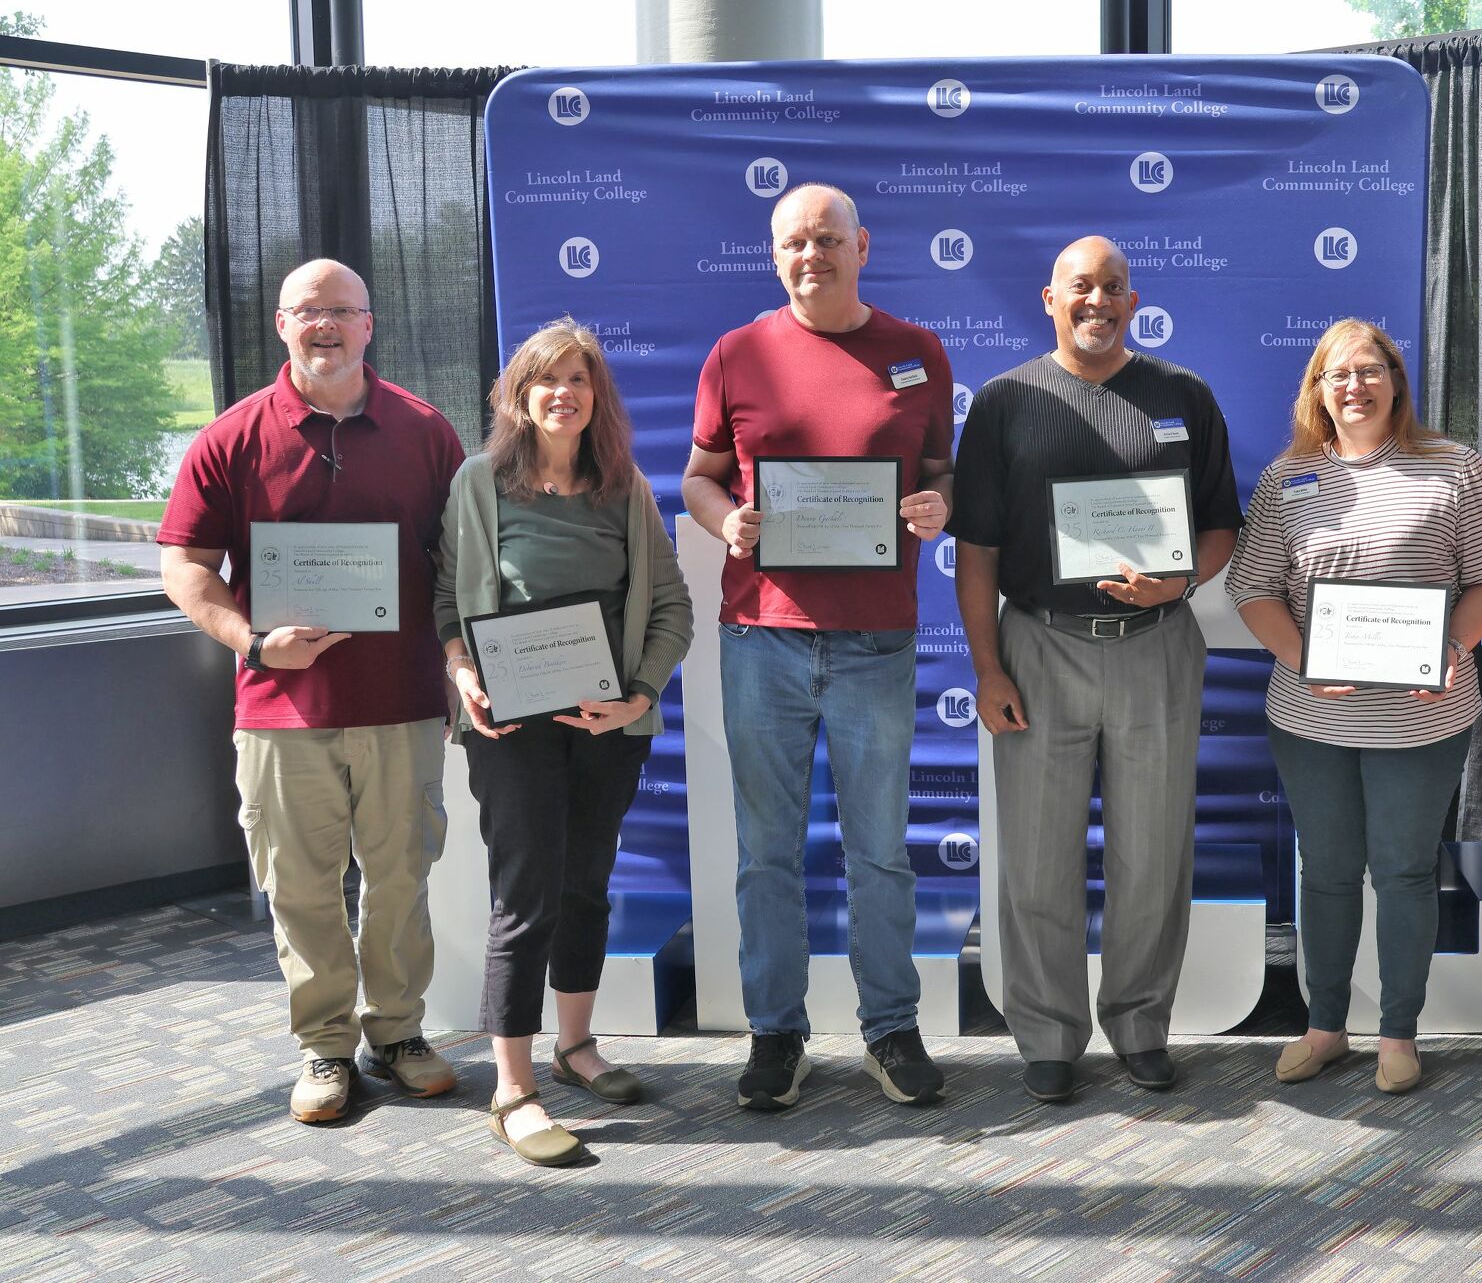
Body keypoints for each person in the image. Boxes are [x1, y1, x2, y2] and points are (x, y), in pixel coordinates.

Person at [158, 258, 466, 1124]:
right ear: (283, 326)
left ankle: (399, 1032)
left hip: (402, 701)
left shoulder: (425, 431)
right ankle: (325, 1047)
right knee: (299, 884)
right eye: (307, 312)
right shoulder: (231, 436)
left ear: (370, 324)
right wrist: (251, 640)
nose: (324, 326)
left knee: (402, 876)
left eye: (342, 310)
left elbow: (459, 563)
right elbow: (183, 564)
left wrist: (460, 665)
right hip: (281, 711)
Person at [681, 183, 954, 1110]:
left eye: (828, 239)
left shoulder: (917, 353)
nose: (813, 255)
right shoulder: (737, 353)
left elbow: (940, 470)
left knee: (879, 848)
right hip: (764, 637)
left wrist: (937, 505)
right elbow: (701, 477)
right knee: (768, 850)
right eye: (795, 242)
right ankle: (777, 1033)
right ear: (774, 254)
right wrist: (728, 523)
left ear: (862, 245)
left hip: (878, 640)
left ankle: (890, 1027)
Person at [952, 236, 1241, 1103]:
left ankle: (1141, 1023)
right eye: (1082, 286)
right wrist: (987, 667)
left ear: (1133, 297)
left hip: (1156, 644)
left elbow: (1222, 523)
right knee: (1037, 858)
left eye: (1113, 286)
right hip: (1040, 644)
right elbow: (977, 551)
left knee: (1153, 853)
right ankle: (1046, 1034)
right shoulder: (1005, 402)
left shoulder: (1182, 394)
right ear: (1050, 298)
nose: (1098, 300)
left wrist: (1182, 578)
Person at [1227, 319, 1482, 1094]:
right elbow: (1251, 587)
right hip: (1310, 718)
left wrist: (1452, 648)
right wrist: (1303, 660)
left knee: (1402, 872)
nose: (1354, 385)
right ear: (1317, 391)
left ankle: (1398, 1032)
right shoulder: (1288, 478)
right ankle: (1325, 1025)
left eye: (1371, 369)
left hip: (1421, 719)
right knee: (1325, 872)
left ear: (1396, 379)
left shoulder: (1453, 469)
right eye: (1337, 374)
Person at [436, 319, 693, 1166]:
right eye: (546, 380)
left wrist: (641, 696)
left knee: (586, 884)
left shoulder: (624, 488)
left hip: (606, 730)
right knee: (527, 894)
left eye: (579, 380)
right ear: (519, 394)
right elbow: (447, 601)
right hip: (512, 729)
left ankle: (575, 1048)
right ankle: (511, 1087)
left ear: (597, 397)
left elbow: (671, 609)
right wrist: (463, 670)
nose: (563, 394)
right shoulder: (479, 485)